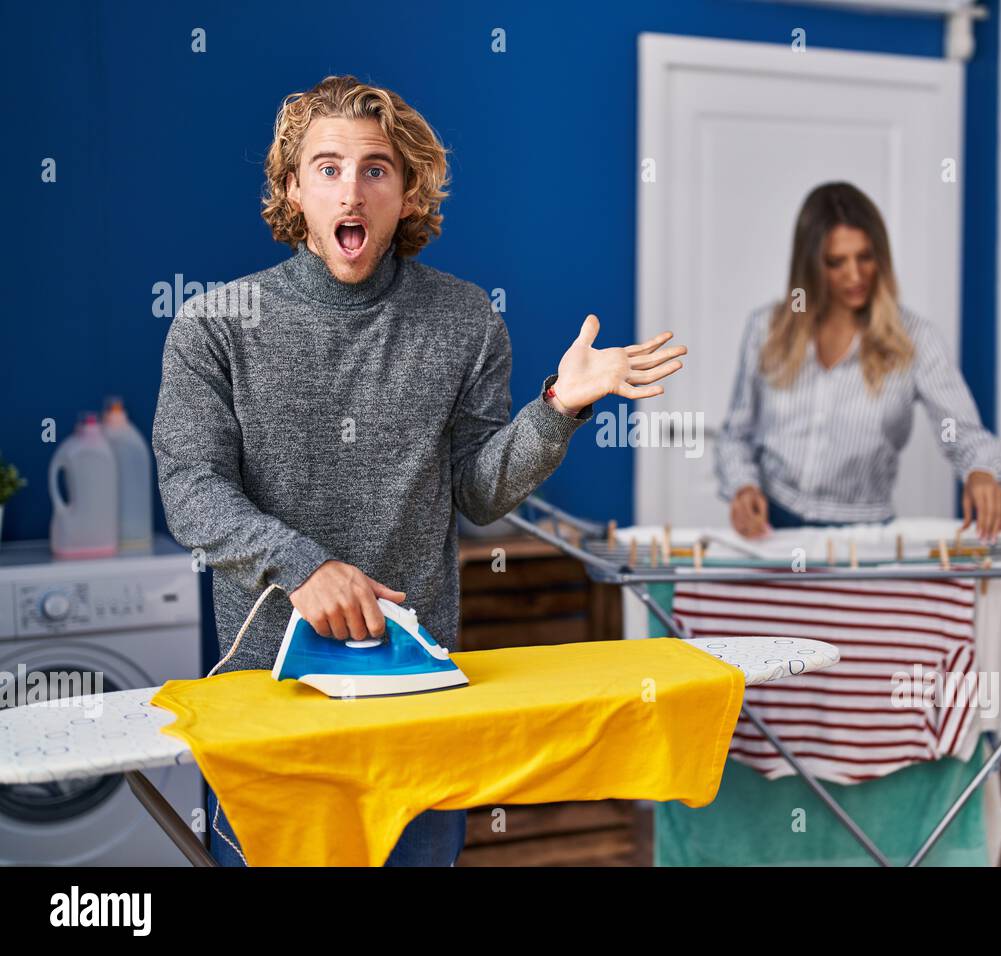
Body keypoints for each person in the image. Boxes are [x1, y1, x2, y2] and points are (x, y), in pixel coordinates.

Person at [153, 75, 685, 866]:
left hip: (416, 692)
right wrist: (304, 568)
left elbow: (476, 489)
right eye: (327, 167)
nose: (352, 190)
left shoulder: (465, 319)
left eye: (376, 170)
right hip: (269, 694)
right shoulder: (214, 326)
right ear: (293, 188)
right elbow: (192, 490)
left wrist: (559, 408)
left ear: (408, 192)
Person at [716, 181, 1001, 540]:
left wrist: (981, 473)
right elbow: (735, 434)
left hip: (865, 536)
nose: (855, 276)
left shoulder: (915, 339)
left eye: (866, 257)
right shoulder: (766, 329)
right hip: (772, 530)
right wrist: (743, 487)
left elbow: (964, 434)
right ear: (809, 267)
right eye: (836, 263)